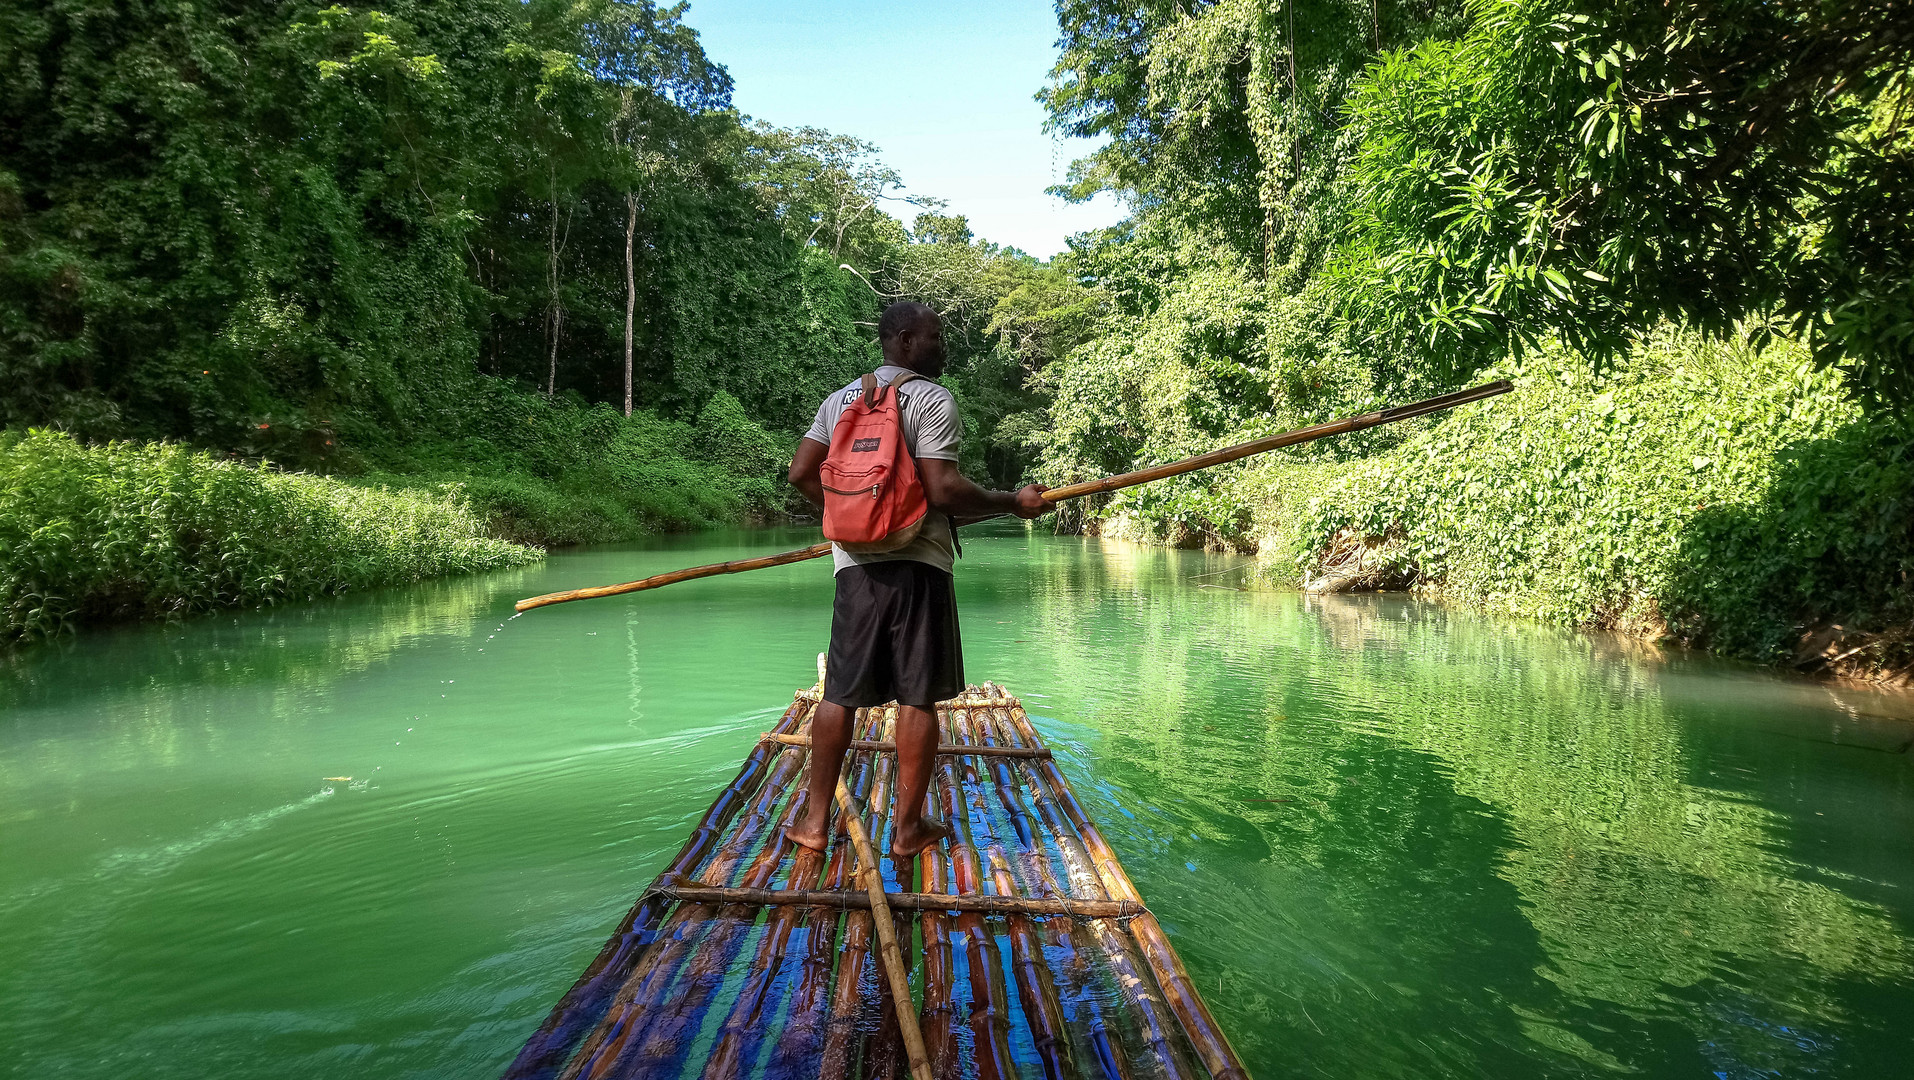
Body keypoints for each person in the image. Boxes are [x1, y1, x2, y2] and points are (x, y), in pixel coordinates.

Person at [784, 301, 1050, 858]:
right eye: (936, 336)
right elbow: (945, 490)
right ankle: (907, 831)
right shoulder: (931, 399)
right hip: (920, 563)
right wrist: (1011, 503)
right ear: (904, 341)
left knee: (839, 694)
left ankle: (812, 824)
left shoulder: (839, 401)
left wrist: (848, 522)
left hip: (854, 568)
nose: (944, 346)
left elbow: (802, 474)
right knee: (917, 698)